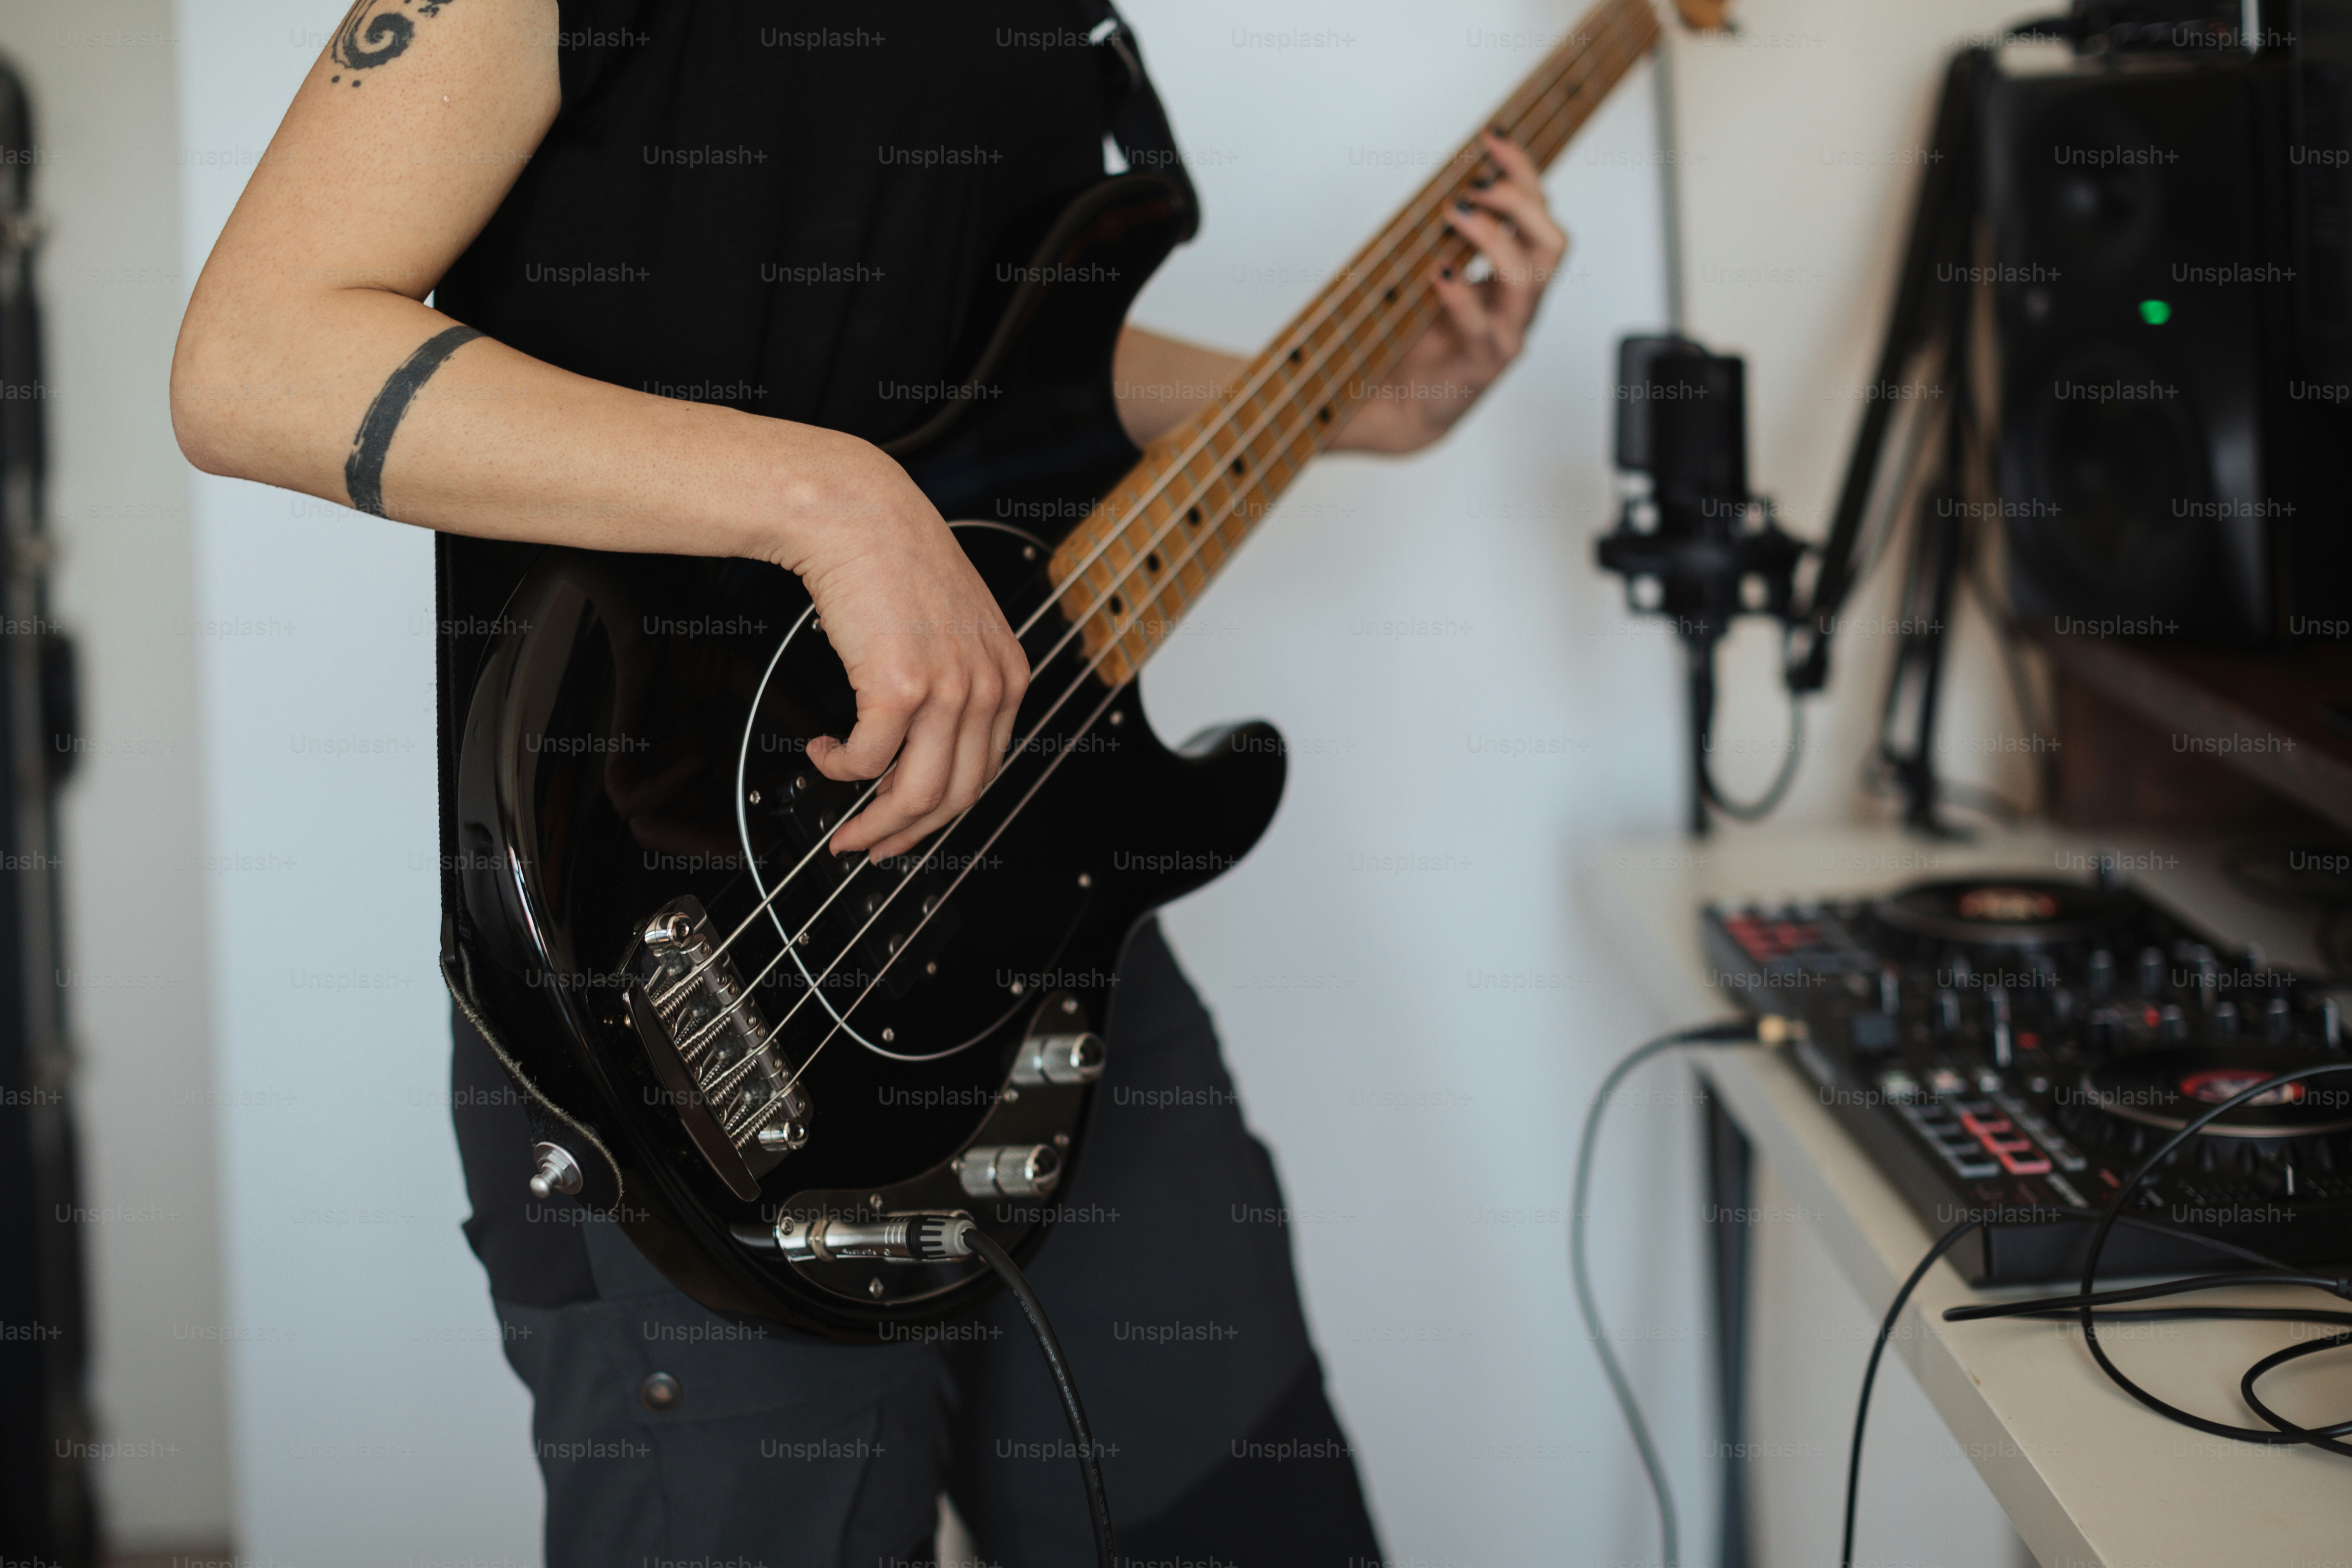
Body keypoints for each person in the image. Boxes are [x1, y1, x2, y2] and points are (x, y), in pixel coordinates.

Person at [171, 2, 1570, 1563]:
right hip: (676, 993)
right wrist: (825, 498)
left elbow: (1016, 360)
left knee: (1252, 1518)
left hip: (1054, 939)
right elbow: (253, 356)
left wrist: (1361, 404)